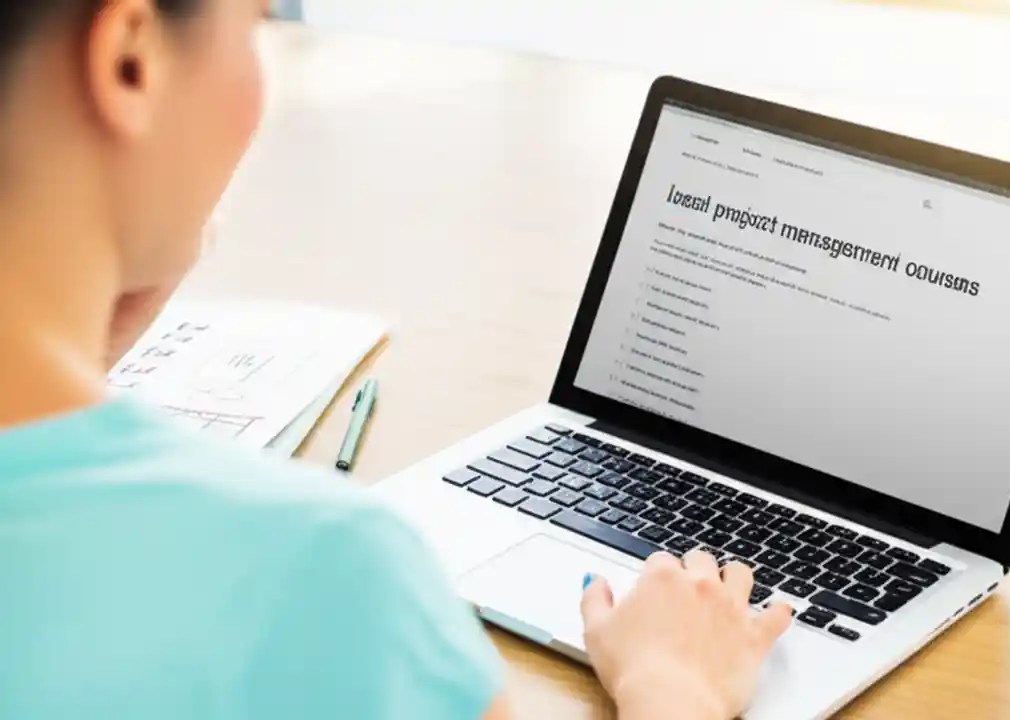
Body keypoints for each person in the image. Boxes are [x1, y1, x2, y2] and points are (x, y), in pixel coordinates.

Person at [0, 2, 794, 719]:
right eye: (255, 24)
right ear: (130, 59)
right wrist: (674, 688)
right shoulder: (312, 579)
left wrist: (72, 333)